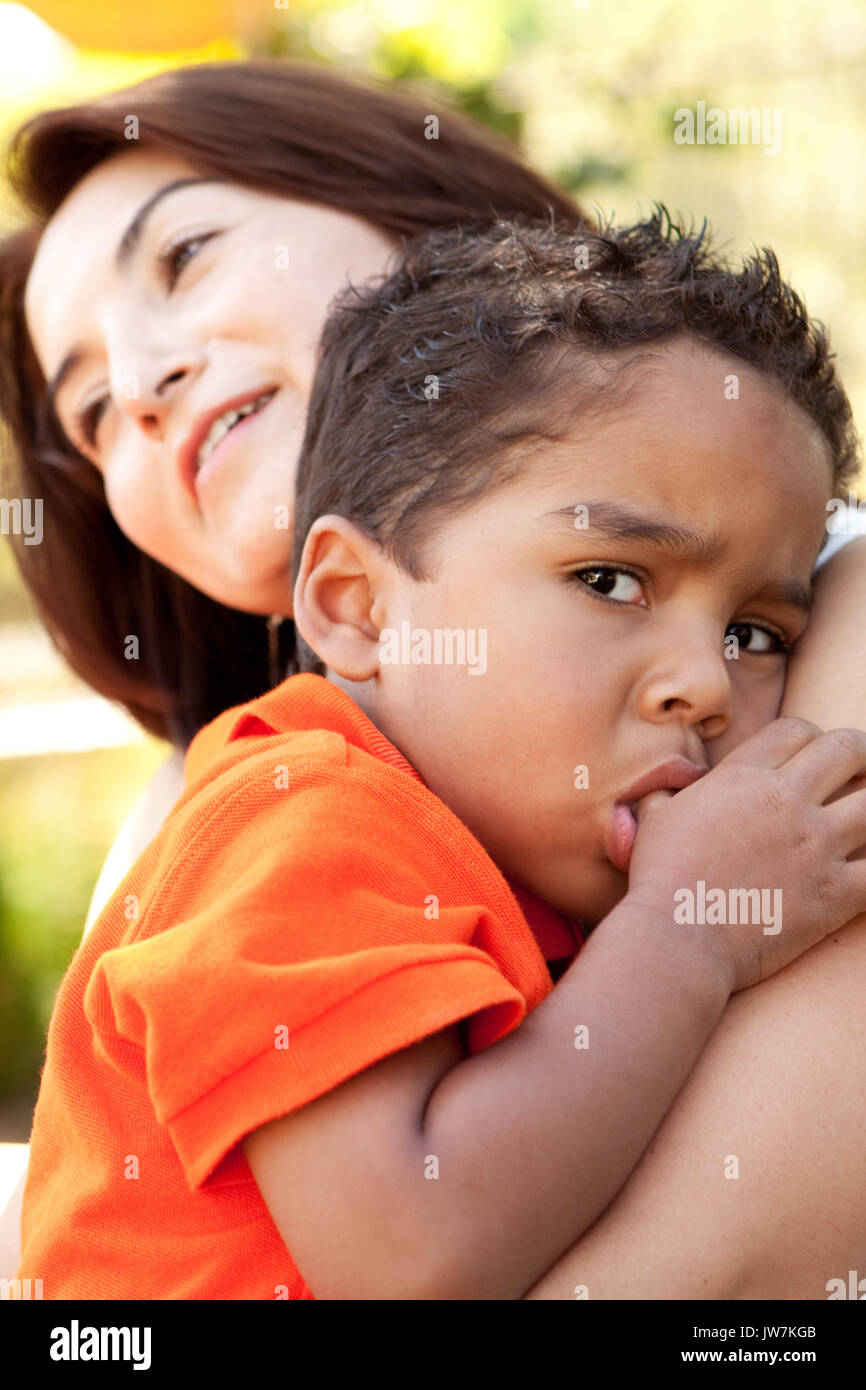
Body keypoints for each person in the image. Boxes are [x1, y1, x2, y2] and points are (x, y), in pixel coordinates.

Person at [2, 59, 866, 1297]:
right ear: (349, 605)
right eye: (88, 407)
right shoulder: (288, 814)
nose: (141, 386)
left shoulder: (536, 795)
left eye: (185, 257)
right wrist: (688, 934)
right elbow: (413, 1257)